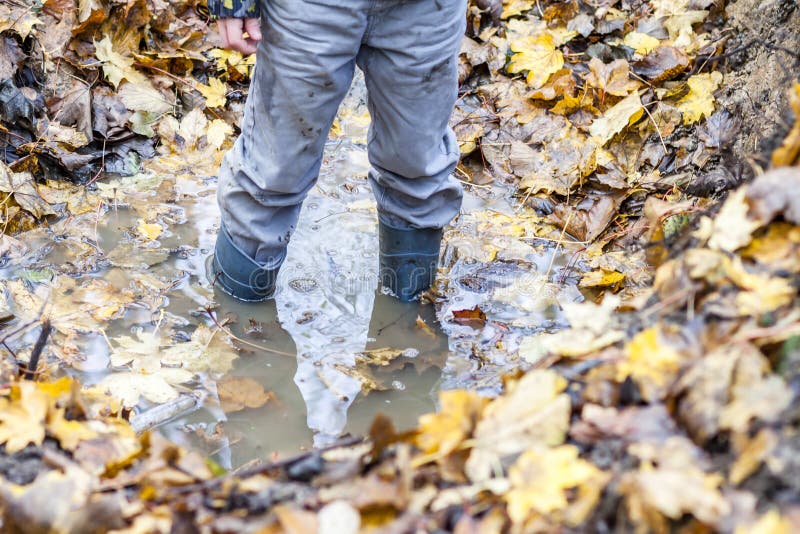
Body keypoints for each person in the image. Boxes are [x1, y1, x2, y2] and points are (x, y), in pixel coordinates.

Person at [206, 0, 466, 302]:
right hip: (309, 8)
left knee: (419, 168)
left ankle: (410, 321)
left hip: (425, 10)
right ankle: (232, 324)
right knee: (273, 174)